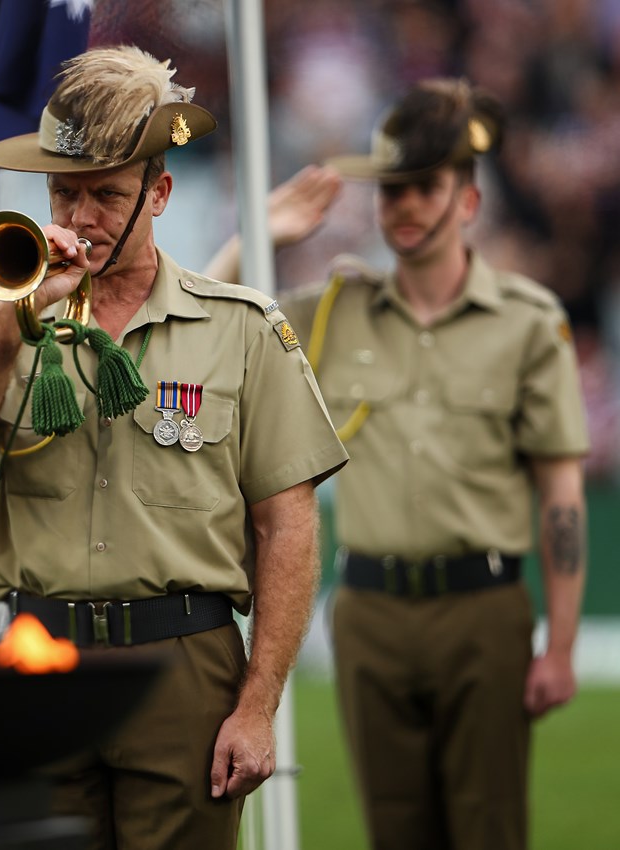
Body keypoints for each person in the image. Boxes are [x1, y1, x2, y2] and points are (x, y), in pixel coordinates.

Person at [0, 45, 348, 849]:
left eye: (108, 195)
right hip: (39, 662)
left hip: (181, 670)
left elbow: (287, 527)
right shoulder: (6, 319)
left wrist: (256, 709)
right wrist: (9, 325)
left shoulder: (242, 328)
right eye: (64, 194)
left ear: (160, 193)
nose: (82, 218)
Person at [206, 78, 590, 850]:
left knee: (488, 830)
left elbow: (561, 490)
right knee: (395, 831)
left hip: (483, 609)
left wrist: (561, 645)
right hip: (371, 611)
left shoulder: (525, 321)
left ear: (468, 202)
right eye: (390, 191)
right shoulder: (337, 309)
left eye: (423, 188)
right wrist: (261, 236)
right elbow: (210, 322)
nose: (403, 207)